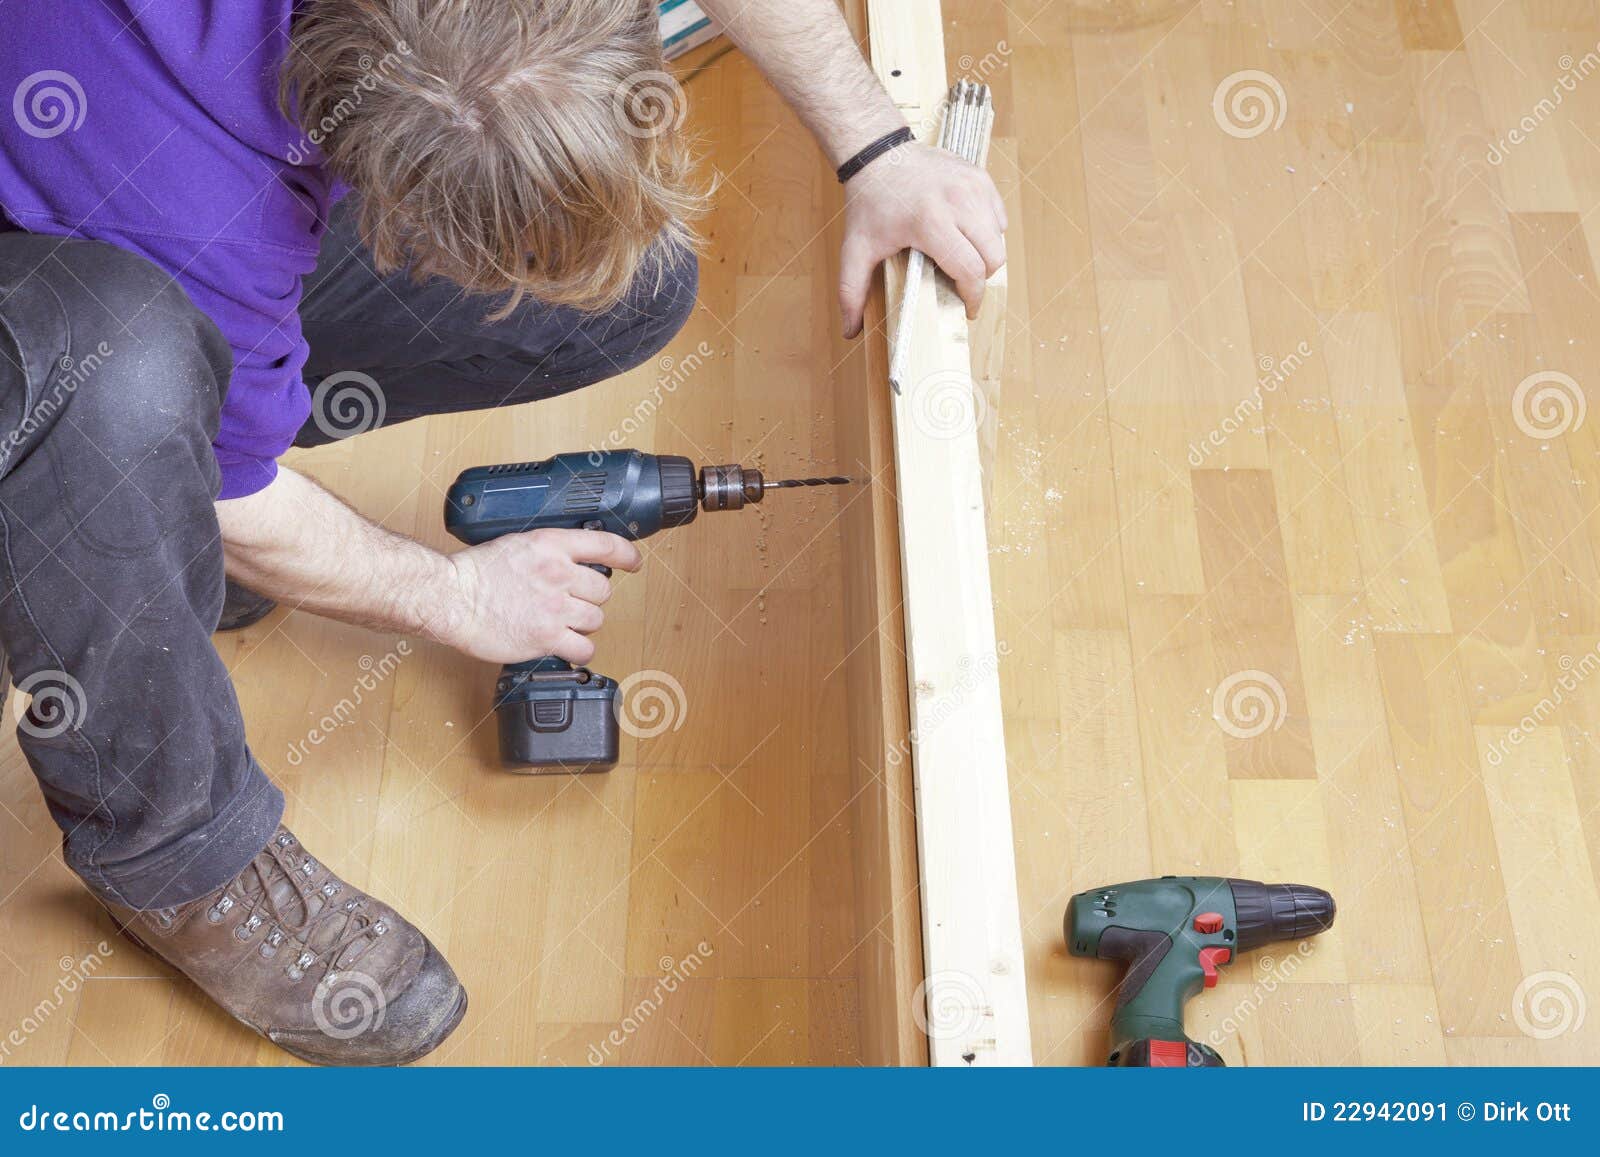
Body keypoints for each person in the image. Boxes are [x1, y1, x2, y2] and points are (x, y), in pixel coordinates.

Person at [0, 0, 1005, 1065]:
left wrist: (879, 150)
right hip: (62, 256)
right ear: (400, 193)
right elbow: (229, 500)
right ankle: (181, 859)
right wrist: (457, 596)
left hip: (189, 156)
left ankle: (142, 503)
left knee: (628, 283)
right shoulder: (186, 192)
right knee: (123, 381)